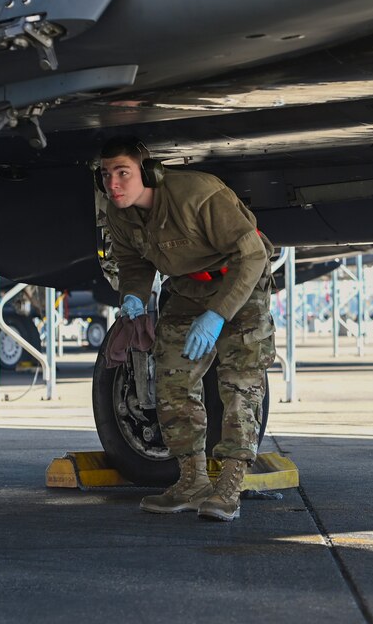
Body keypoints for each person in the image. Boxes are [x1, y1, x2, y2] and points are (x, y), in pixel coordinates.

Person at [97, 137, 276, 522]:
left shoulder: (197, 194)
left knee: (240, 384)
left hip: (240, 283)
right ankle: (192, 481)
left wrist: (217, 315)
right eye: (107, 174)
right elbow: (133, 265)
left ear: (146, 173)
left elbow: (253, 255)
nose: (113, 184)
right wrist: (133, 297)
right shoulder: (120, 214)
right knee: (173, 379)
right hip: (188, 288)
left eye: (123, 173)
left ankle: (229, 485)